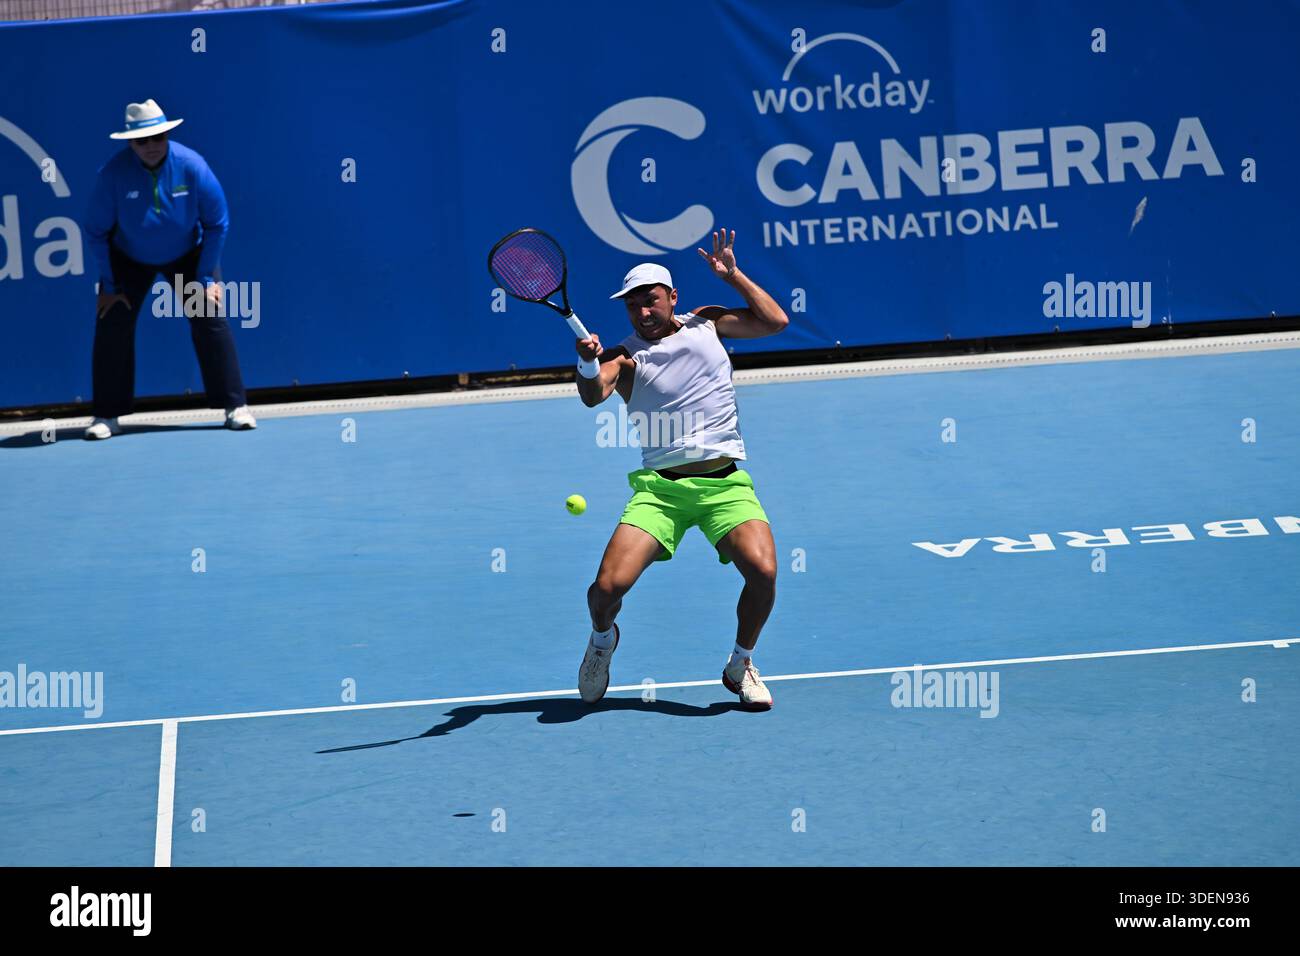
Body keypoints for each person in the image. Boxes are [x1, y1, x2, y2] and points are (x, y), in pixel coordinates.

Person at [574, 228, 789, 710]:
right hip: (660, 492)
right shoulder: (622, 355)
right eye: (632, 306)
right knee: (605, 591)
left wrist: (733, 275)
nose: (642, 313)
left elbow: (774, 321)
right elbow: (593, 396)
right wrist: (588, 364)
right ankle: (603, 642)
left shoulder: (708, 323)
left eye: (650, 301)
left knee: (764, 571)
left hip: (725, 484)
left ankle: (741, 664)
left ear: (673, 297)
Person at [83, 99, 255, 440]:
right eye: (141, 140)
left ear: (167, 135)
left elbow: (217, 223)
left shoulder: (192, 166)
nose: (150, 146)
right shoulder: (113, 175)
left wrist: (205, 277)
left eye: (157, 137)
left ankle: (235, 406)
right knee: (112, 322)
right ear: (130, 143)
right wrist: (109, 283)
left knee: (209, 316)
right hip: (128, 258)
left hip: (188, 256)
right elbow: (95, 231)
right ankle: (107, 415)